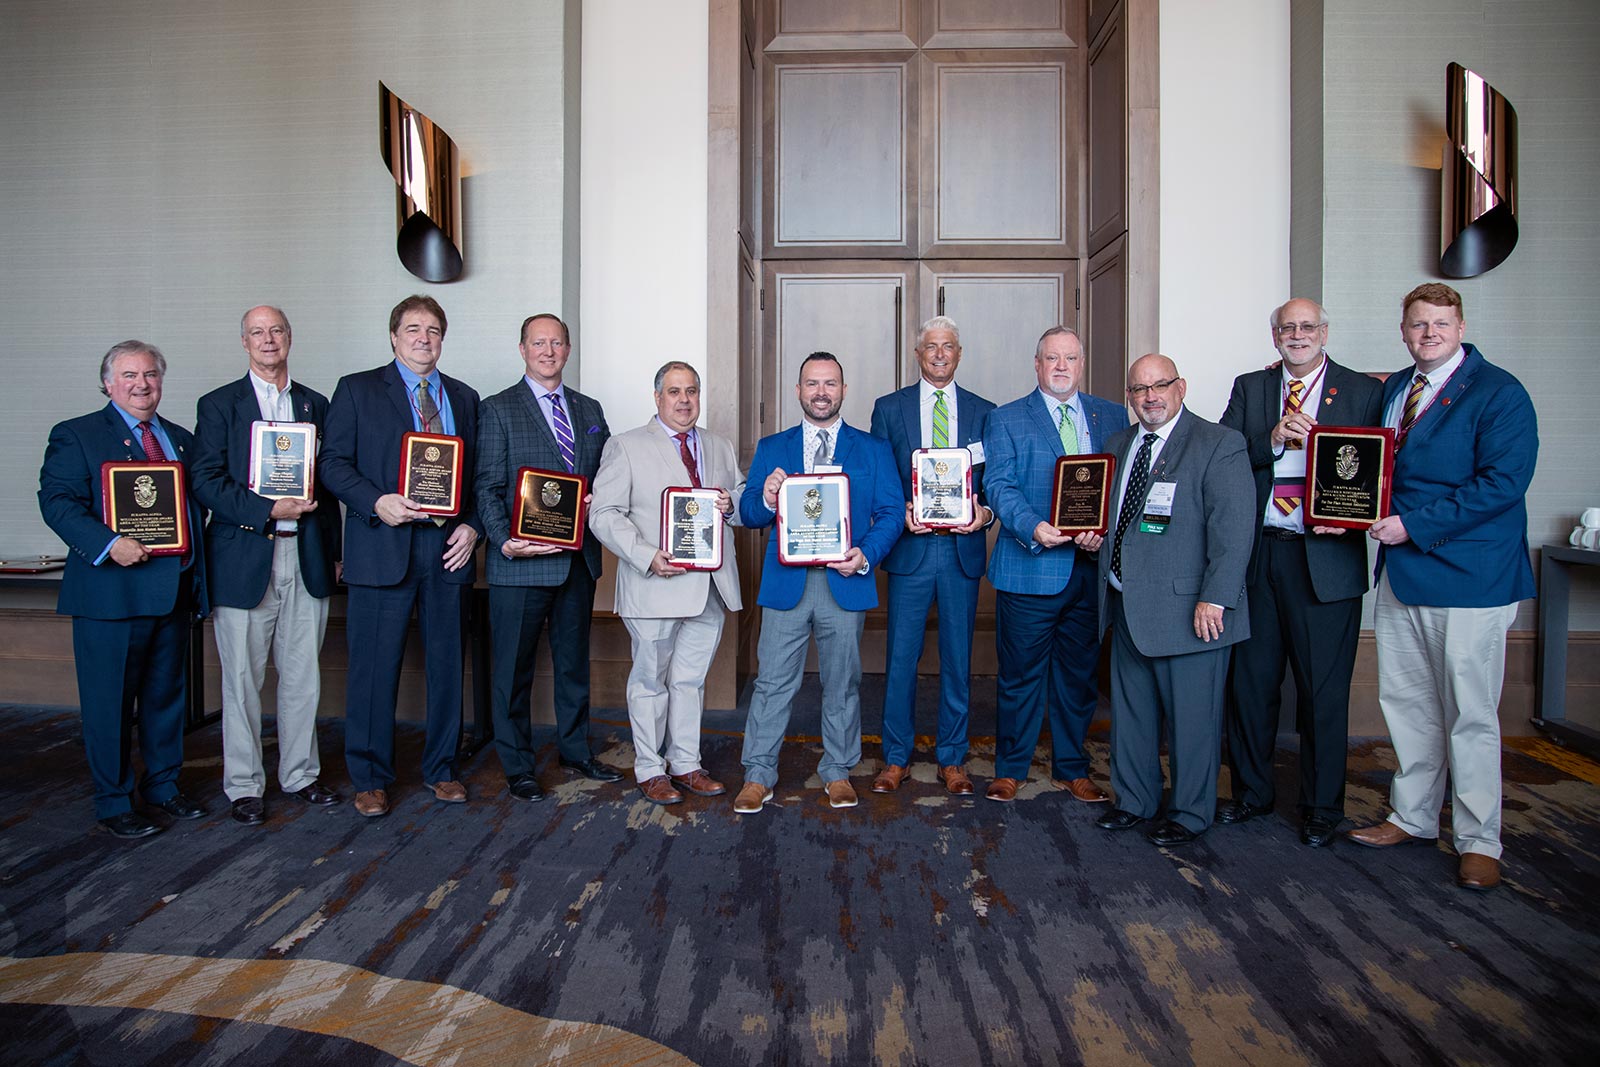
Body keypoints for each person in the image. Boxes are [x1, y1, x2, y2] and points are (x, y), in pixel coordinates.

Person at [1347, 283, 1537, 892]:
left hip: (1470, 577)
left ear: (1460, 327)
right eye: (1418, 324)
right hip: (1403, 573)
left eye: (1440, 324)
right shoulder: (1396, 390)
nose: (1428, 333)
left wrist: (1413, 525)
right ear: (1403, 330)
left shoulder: (1500, 393)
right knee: (1408, 706)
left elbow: (1502, 484)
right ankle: (1414, 815)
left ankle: (1481, 839)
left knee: (1471, 715)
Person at [1216, 299, 1384, 847]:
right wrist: (1269, 439)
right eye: (1287, 328)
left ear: (1324, 332)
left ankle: (1321, 807)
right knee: (1252, 685)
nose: (1297, 335)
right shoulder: (1252, 388)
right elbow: (1223, 456)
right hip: (1260, 553)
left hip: (1327, 557)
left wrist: (1361, 520)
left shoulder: (1362, 391)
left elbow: (1383, 469)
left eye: (1307, 326)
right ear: (1274, 337)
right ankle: (1251, 794)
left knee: (1323, 692)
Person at [38, 341, 210, 838]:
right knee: (109, 704)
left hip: (172, 591)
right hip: (110, 598)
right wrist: (109, 542)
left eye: (151, 374)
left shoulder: (179, 439)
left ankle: (163, 786)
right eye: (130, 375)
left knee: (166, 699)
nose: (142, 384)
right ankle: (114, 801)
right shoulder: (78, 435)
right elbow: (57, 502)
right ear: (108, 384)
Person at [319, 295, 481, 818]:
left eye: (433, 330)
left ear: (443, 339)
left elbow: (481, 476)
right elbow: (332, 464)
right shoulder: (358, 389)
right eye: (413, 328)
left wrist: (474, 527)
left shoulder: (464, 396)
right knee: (373, 668)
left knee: (446, 665)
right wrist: (375, 501)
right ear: (394, 336)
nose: (423, 338)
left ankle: (442, 769)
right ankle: (369, 777)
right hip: (380, 546)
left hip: (446, 550)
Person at [190, 306, 342, 826]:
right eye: (258, 332)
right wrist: (267, 508)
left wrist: (338, 554)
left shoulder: (316, 404)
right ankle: (243, 786)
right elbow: (205, 480)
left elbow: (333, 484)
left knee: (303, 676)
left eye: (277, 329)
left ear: (290, 337)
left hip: (307, 555)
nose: (268, 339)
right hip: (244, 557)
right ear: (244, 342)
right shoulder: (218, 405)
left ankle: (300, 775)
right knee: (242, 680)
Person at [1094, 354, 1255, 845]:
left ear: (1180, 387)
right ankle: (1136, 801)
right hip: (1126, 605)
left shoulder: (1218, 444)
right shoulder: (1119, 445)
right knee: (1132, 715)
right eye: (1139, 389)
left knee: (1192, 721)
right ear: (1130, 396)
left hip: (1192, 611)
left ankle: (1189, 812)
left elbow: (1234, 530)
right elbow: (1114, 520)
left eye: (1159, 385)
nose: (1150, 396)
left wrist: (1218, 598)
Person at [733, 352, 902, 814]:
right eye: (812, 384)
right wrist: (766, 497)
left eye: (830, 384)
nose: (821, 392)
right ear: (798, 391)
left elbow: (891, 513)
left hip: (843, 580)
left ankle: (838, 770)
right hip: (786, 583)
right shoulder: (772, 446)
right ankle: (758, 773)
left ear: (844, 391)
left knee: (843, 682)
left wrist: (865, 554)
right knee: (771, 682)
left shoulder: (872, 449)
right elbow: (747, 513)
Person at [980, 327, 1128, 803]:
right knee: (1020, 676)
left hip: (1088, 569)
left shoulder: (1112, 415)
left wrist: (1100, 531)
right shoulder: (1006, 419)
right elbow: (999, 485)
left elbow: (1122, 486)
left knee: (1078, 677)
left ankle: (1071, 767)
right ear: (1037, 364)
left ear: (1081, 364)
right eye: (1052, 358)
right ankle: (1011, 768)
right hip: (1031, 565)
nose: (1061, 366)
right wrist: (1033, 527)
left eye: (1070, 358)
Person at [475, 313, 618, 802]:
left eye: (557, 342)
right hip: (520, 561)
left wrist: (603, 496)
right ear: (522, 349)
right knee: (512, 670)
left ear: (569, 349)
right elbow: (487, 487)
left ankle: (575, 750)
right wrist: (502, 540)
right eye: (539, 343)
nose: (548, 351)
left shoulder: (589, 408)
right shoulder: (497, 409)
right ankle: (517, 765)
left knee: (574, 666)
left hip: (577, 561)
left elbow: (605, 475)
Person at [589, 361, 744, 804]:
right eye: (674, 392)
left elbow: (738, 493)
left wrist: (730, 501)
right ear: (657, 398)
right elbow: (603, 514)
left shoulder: (718, 445)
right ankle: (650, 768)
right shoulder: (627, 446)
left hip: (710, 585)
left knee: (690, 682)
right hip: (655, 584)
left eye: (691, 391)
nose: (684, 400)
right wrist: (645, 557)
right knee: (650, 682)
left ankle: (687, 763)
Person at [867, 316, 995, 796]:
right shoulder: (889, 408)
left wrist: (984, 516)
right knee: (901, 658)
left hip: (961, 551)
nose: (939, 354)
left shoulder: (986, 411)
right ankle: (895, 758)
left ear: (959, 353)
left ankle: (953, 759)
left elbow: (998, 480)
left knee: (958, 660)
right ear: (917, 354)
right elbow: (878, 476)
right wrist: (897, 512)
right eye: (930, 347)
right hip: (911, 549)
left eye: (948, 347)